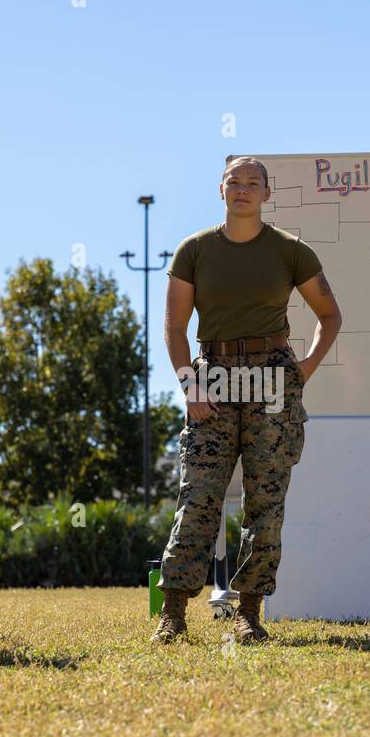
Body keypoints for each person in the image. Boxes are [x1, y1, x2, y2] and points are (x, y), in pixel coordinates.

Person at [153, 156, 342, 645]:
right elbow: (175, 327)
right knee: (198, 496)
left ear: (266, 193)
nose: (242, 190)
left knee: (266, 500)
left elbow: (330, 315)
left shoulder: (290, 251)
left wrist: (302, 371)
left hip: (272, 378)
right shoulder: (194, 250)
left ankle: (250, 613)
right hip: (212, 377)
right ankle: (172, 612)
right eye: (234, 182)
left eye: (252, 183)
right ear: (220, 190)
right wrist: (188, 384)